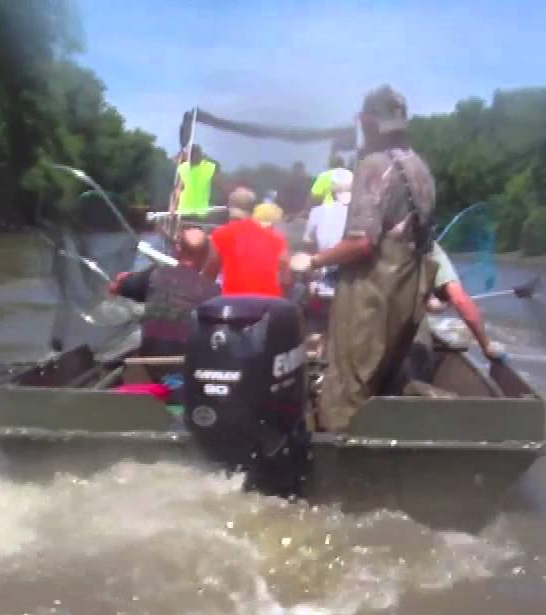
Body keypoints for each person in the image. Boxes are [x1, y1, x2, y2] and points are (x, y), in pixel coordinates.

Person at [290, 85, 503, 431]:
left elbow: (362, 244)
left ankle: (343, 449)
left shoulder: (374, 166)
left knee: (348, 386)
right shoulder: (421, 170)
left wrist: (313, 261)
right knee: (386, 373)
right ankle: (418, 418)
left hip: (371, 295)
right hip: (407, 295)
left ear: (368, 122)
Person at [109, 226, 221, 360]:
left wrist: (124, 280)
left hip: (150, 363)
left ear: (178, 250)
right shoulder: (213, 293)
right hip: (187, 365)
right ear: (205, 257)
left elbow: (116, 287)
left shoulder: (156, 275)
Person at [203, 187, 291, 297]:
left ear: (229, 207)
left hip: (234, 300)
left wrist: (201, 287)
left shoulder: (221, 234)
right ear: (253, 210)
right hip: (270, 302)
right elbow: (285, 278)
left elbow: (211, 268)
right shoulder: (276, 237)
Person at [301, 167, 354, 333]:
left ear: (332, 190)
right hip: (352, 287)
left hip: (323, 285)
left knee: (317, 331)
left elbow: (308, 244)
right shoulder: (361, 215)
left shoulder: (317, 213)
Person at [171, 144, 219, 218]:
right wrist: (173, 206)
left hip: (201, 213)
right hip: (184, 212)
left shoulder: (209, 167)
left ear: (199, 155)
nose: (190, 158)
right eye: (189, 155)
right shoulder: (183, 168)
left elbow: (220, 184)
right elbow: (178, 189)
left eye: (192, 155)